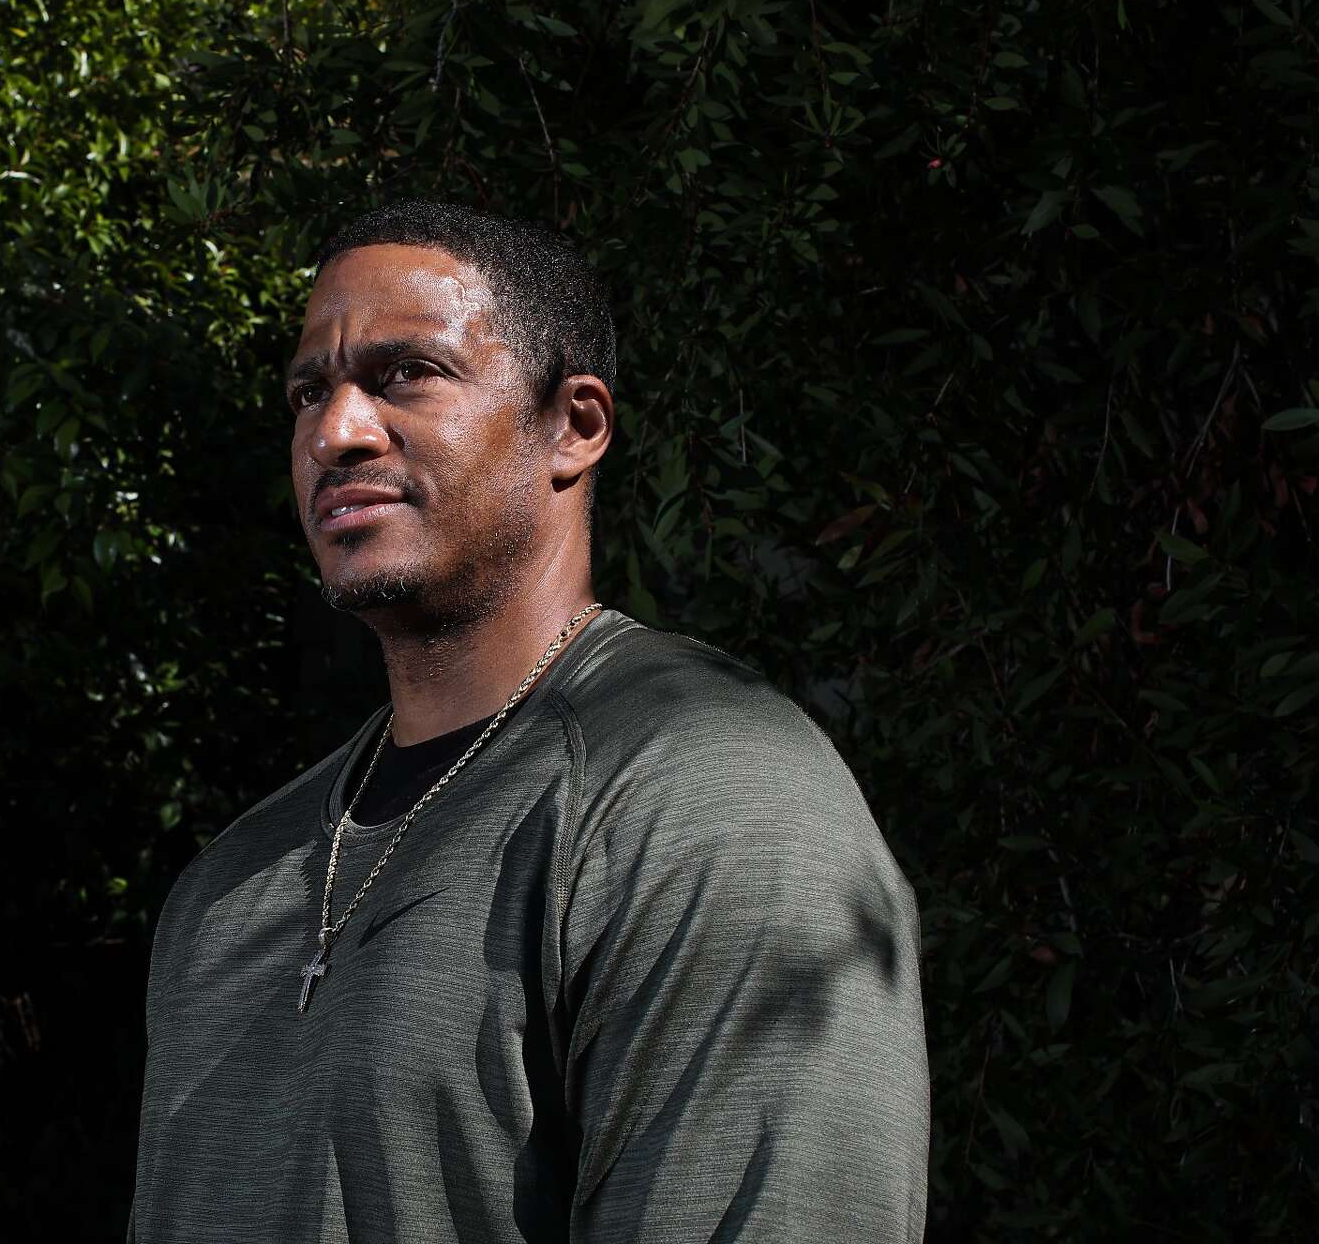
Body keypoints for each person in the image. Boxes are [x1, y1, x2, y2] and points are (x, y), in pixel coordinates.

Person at [129, 200, 930, 1241]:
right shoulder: (231, 882)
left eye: (406, 373)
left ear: (574, 426)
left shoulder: (712, 794)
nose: (335, 432)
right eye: (309, 392)